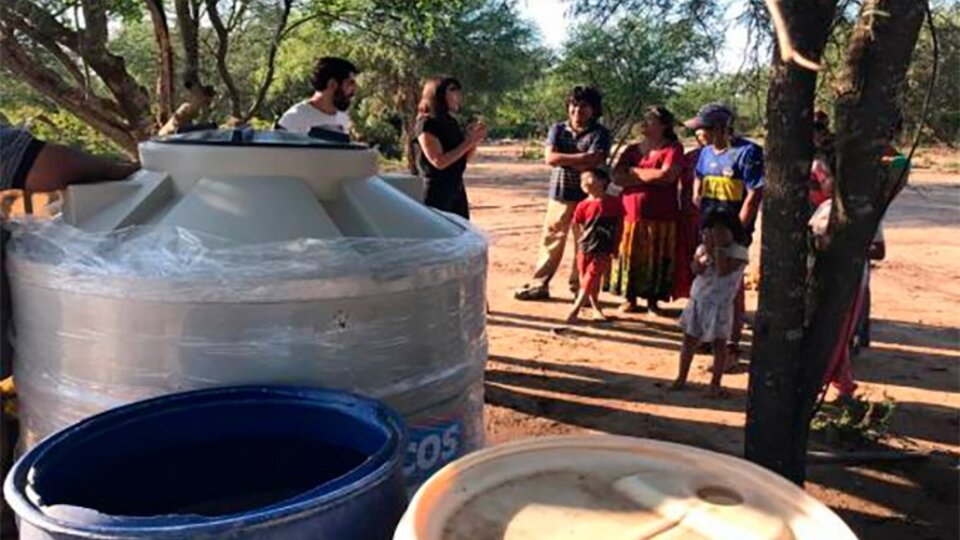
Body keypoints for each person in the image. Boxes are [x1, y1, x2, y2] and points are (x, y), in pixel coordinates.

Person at [515, 86, 611, 301]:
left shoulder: (601, 133)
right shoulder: (557, 129)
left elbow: (595, 160)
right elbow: (550, 159)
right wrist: (582, 158)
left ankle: (581, 290)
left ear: (594, 109)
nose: (577, 110)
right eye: (574, 105)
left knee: (584, 244)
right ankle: (539, 284)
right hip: (559, 194)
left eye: (584, 106)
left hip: (589, 198)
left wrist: (565, 158)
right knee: (551, 239)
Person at [685, 104, 764, 362]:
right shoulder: (705, 153)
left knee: (732, 286)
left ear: (719, 128)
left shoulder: (748, 153)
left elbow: (754, 193)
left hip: (734, 233)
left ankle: (731, 343)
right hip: (709, 229)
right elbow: (699, 176)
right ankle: (709, 336)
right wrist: (697, 194)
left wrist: (738, 231)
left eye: (702, 129)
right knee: (708, 281)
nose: (698, 134)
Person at [608, 106, 684, 315]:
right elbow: (616, 176)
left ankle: (653, 300)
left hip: (662, 215)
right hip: (631, 213)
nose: (644, 124)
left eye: (650, 120)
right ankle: (629, 298)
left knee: (656, 256)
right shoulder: (632, 150)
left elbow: (668, 176)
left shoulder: (673, 149)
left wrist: (634, 172)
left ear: (663, 125)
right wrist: (650, 174)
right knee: (631, 254)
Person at [672, 207, 749, 397]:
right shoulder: (703, 249)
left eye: (722, 230)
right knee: (689, 339)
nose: (717, 234)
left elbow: (723, 270)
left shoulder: (739, 252)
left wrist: (718, 249)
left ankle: (715, 383)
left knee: (719, 344)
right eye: (713, 230)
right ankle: (681, 377)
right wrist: (703, 253)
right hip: (699, 300)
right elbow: (695, 269)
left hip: (720, 304)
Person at [413, 77, 485, 220]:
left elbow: (464, 158)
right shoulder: (426, 124)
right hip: (436, 192)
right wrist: (468, 142)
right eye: (452, 91)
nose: (458, 97)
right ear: (437, 95)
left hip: (456, 188)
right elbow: (438, 161)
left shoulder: (451, 122)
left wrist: (473, 140)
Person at [567, 169, 624, 323]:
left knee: (591, 277)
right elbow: (576, 224)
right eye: (582, 179)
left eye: (589, 178)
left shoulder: (614, 203)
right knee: (587, 278)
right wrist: (579, 242)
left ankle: (575, 310)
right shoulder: (582, 205)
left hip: (603, 248)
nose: (584, 182)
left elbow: (619, 226)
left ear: (603, 182)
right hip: (585, 247)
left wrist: (616, 246)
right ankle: (596, 309)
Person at [277, 56, 358, 135]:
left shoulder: (343, 119)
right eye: (350, 83)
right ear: (332, 84)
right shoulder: (293, 119)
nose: (355, 89)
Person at [673, 128, 708, 300]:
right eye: (698, 134)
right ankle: (691, 295)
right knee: (688, 254)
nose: (701, 137)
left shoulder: (727, 156)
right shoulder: (690, 158)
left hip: (713, 214)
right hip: (688, 212)